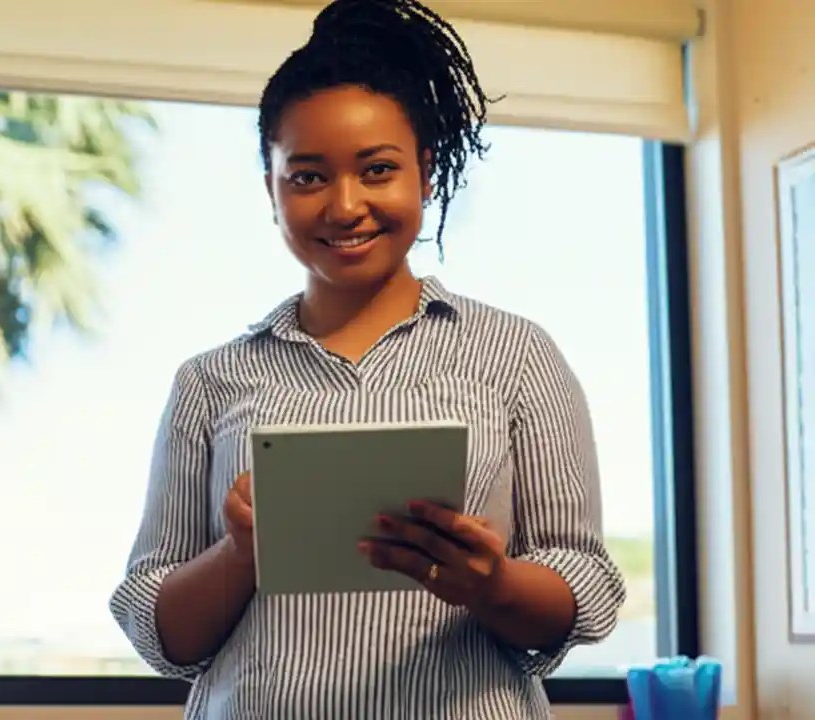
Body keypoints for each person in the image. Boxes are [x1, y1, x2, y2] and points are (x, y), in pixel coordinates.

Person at [107, 0, 627, 717]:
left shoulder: (516, 355)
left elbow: (586, 585)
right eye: (308, 176)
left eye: (378, 169)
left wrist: (492, 584)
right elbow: (157, 629)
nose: (345, 206)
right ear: (271, 189)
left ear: (427, 173)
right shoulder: (210, 381)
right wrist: (241, 554)